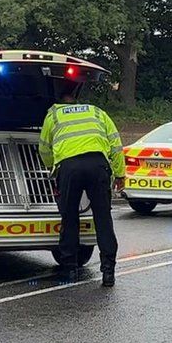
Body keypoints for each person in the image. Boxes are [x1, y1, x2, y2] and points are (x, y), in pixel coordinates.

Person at [39, 91, 124, 287]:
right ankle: (108, 272)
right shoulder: (96, 112)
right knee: (103, 219)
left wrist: (53, 167)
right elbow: (116, 145)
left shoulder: (53, 115)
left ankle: (70, 269)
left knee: (69, 218)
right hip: (98, 165)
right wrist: (120, 174)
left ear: (58, 102)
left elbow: (44, 148)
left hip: (70, 168)